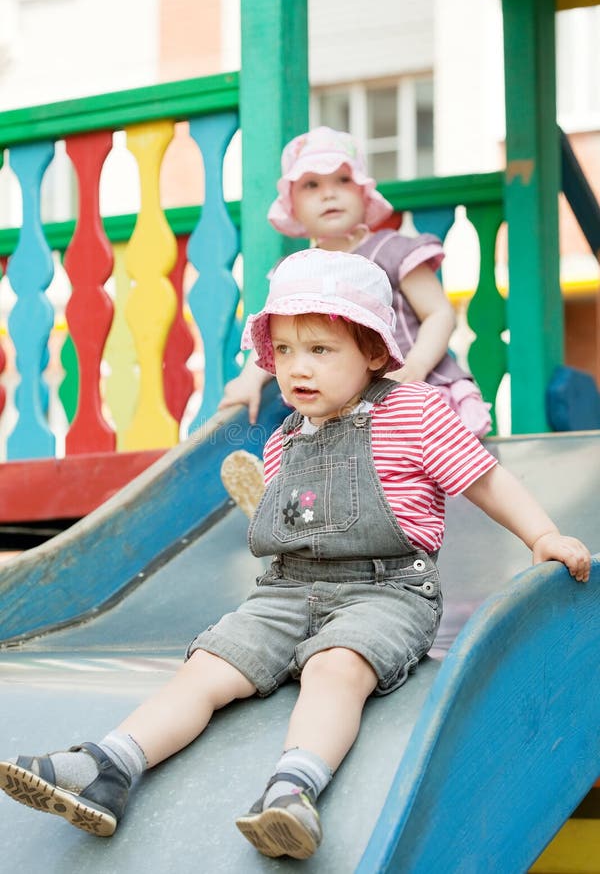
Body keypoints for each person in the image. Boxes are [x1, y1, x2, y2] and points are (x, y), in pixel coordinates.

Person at [0, 250, 590, 862]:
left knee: (335, 668)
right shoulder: (287, 437)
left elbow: (484, 478)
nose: (295, 368)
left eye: (319, 350)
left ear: (372, 351)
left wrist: (542, 535)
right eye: (282, 351)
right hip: (284, 591)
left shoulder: (413, 411)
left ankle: (292, 790)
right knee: (208, 668)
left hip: (386, 591)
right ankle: (110, 766)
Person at [218, 125, 491, 517]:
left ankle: (295, 508)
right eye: (311, 184)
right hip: (344, 398)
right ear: (292, 205)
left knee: (409, 464)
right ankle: (284, 506)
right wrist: (249, 379)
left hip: (406, 390)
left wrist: (414, 367)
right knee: (330, 452)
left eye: (343, 180)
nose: (329, 192)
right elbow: (282, 335)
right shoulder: (295, 272)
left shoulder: (393, 249)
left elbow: (439, 313)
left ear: (364, 192)